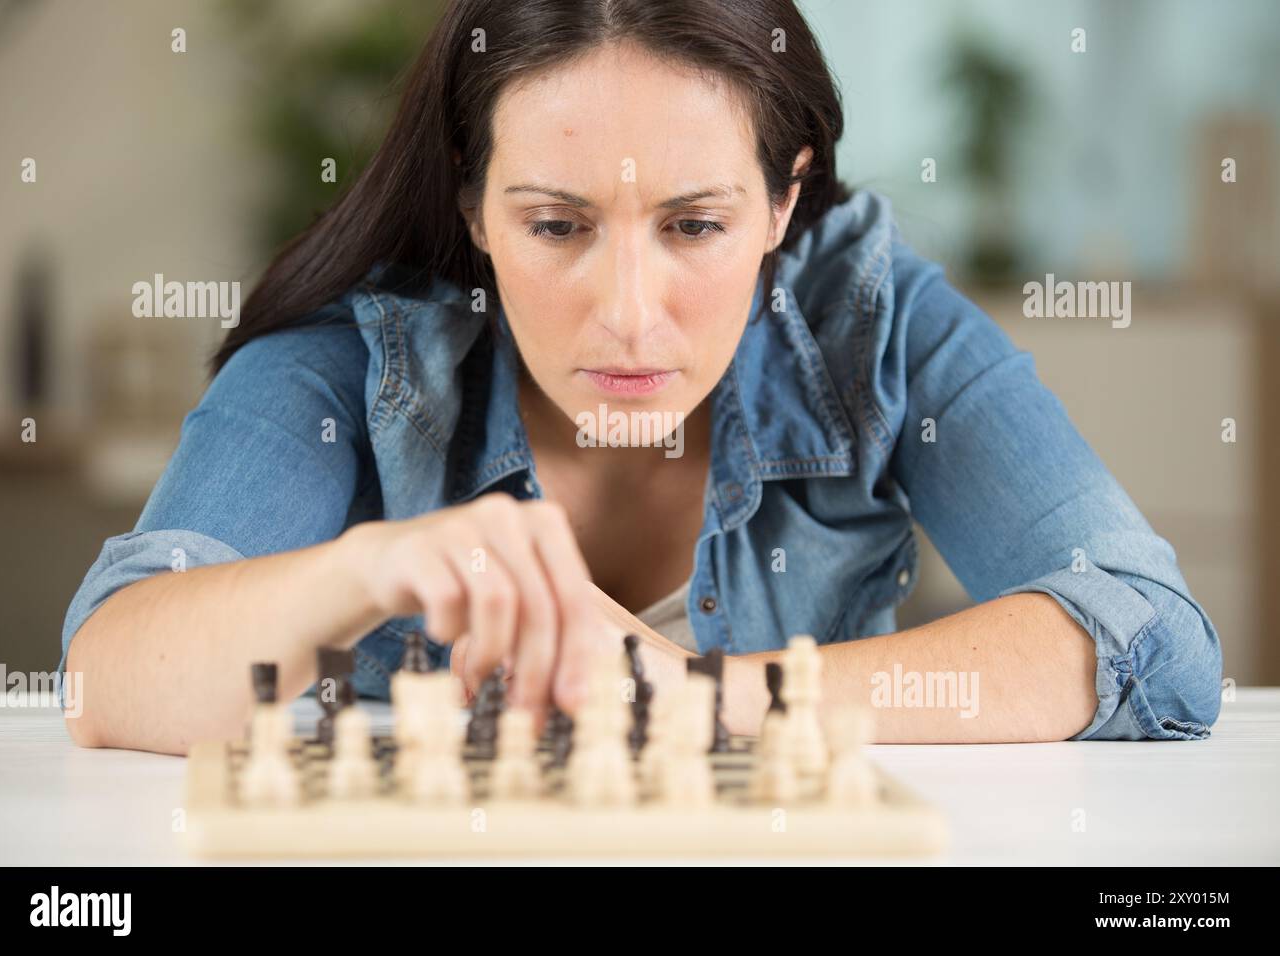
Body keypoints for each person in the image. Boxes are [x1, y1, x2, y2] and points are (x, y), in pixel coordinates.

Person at [60, 0, 1221, 755]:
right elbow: (108, 674)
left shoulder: (877, 327)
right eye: (558, 225)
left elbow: (1148, 628)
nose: (625, 314)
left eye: (695, 225)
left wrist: (713, 697)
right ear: (471, 199)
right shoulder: (350, 362)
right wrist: (373, 563)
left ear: (782, 200)